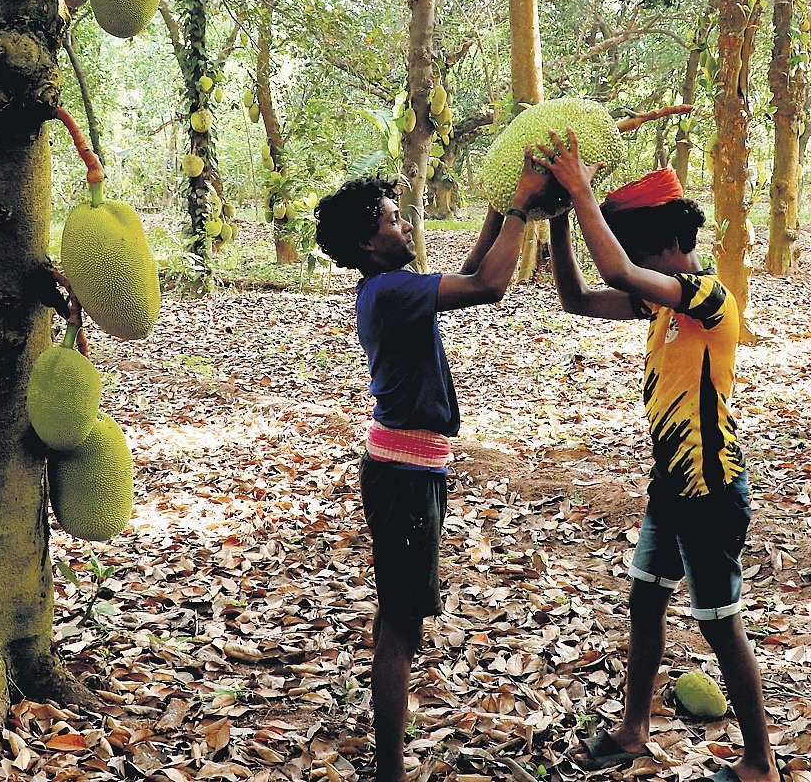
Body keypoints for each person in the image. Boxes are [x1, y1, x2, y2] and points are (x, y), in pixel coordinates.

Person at [538, 128, 778, 782]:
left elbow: (614, 271)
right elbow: (577, 299)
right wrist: (558, 221)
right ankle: (632, 729)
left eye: (647, 251)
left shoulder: (707, 298)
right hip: (669, 488)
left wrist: (580, 190)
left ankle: (760, 764)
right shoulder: (660, 301)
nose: (639, 264)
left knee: (719, 626)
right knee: (645, 605)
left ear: (673, 245)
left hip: (709, 488)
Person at [314, 152, 552, 782]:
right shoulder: (390, 292)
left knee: (402, 610)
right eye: (393, 221)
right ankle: (390, 768)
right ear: (370, 241)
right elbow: (491, 287)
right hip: (403, 475)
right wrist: (523, 210)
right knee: (400, 620)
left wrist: (502, 205)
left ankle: (390, 754)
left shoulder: (391, 287)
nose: (405, 226)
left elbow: (472, 268)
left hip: (409, 469)